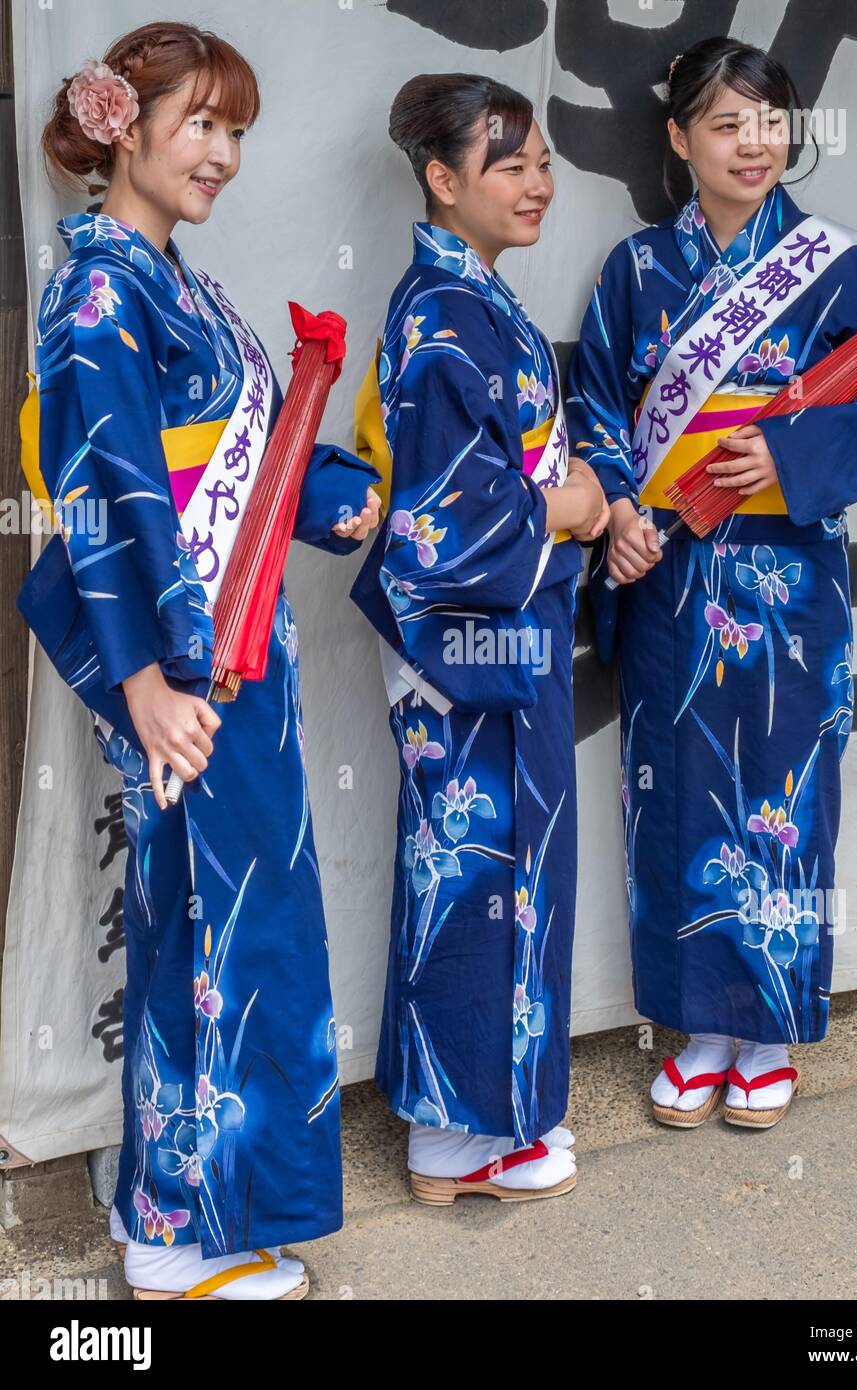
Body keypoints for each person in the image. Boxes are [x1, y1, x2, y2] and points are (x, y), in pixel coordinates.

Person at [19, 21, 380, 1298]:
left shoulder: (176, 280)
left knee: (234, 922)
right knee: (213, 929)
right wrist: (143, 680)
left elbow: (247, 456)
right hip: (187, 674)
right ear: (126, 124)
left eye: (237, 131)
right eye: (204, 125)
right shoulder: (103, 289)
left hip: (233, 660)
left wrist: (345, 494)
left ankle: (190, 1211)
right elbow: (110, 494)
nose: (225, 155)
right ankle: (180, 1231)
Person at [566, 36, 857, 1129]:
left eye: (770, 121)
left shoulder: (832, 265)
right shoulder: (636, 271)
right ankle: (695, 1025)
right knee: (672, 796)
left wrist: (791, 459)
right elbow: (593, 411)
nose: (755, 143)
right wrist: (621, 514)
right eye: (727, 124)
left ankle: (767, 1027)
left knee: (780, 797)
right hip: (675, 573)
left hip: (788, 580)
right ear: (679, 141)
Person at [351, 73, 607, 1201]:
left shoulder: (476, 301)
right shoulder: (441, 314)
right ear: (444, 181)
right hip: (473, 644)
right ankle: (458, 1135)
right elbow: (446, 521)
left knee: (496, 863)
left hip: (509, 634)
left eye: (543, 161)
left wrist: (597, 498)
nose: (537, 183)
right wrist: (571, 506)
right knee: (474, 866)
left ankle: (471, 1121)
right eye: (511, 165)